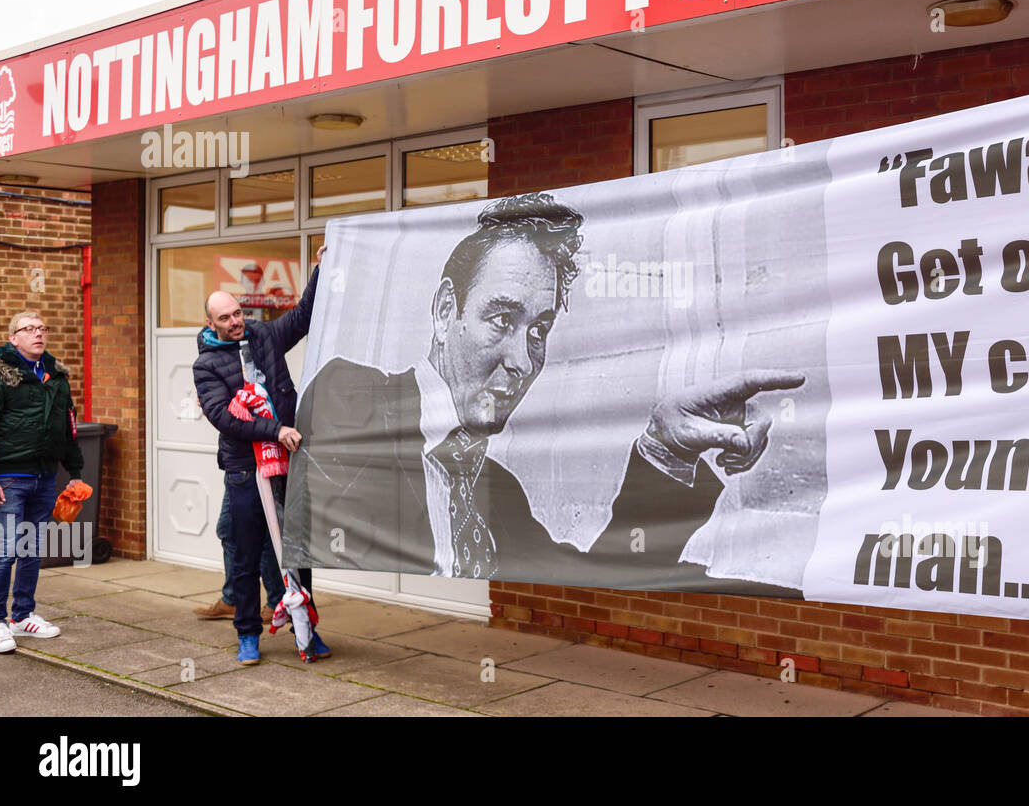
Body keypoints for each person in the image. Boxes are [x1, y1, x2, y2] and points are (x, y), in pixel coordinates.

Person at [289, 192, 803, 595]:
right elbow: (329, 497)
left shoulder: (496, 491)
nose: (521, 360)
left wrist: (665, 452)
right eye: (501, 318)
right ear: (446, 311)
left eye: (539, 332)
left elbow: (606, 568)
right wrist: (338, 273)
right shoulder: (352, 393)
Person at [193, 247, 328, 665]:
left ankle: (306, 631)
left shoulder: (264, 334)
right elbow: (223, 418)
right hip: (244, 470)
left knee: (297, 552)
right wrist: (276, 429)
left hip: (286, 463)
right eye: (225, 319)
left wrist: (322, 269)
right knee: (247, 555)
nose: (235, 323)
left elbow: (303, 317)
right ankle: (248, 635)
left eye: (237, 313)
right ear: (210, 324)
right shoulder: (206, 365)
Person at [0, 312, 84, 654]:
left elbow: (68, 426)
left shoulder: (55, 376)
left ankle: (22, 615)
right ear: (13, 337)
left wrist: (74, 473)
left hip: (45, 477)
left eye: (42, 328)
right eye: (29, 329)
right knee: (7, 549)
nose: (38, 334)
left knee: (31, 549)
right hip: (10, 478)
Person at [192, 490, 285, 623]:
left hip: (254, 474)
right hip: (236, 474)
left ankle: (276, 602)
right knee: (228, 531)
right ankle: (233, 599)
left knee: (263, 536)